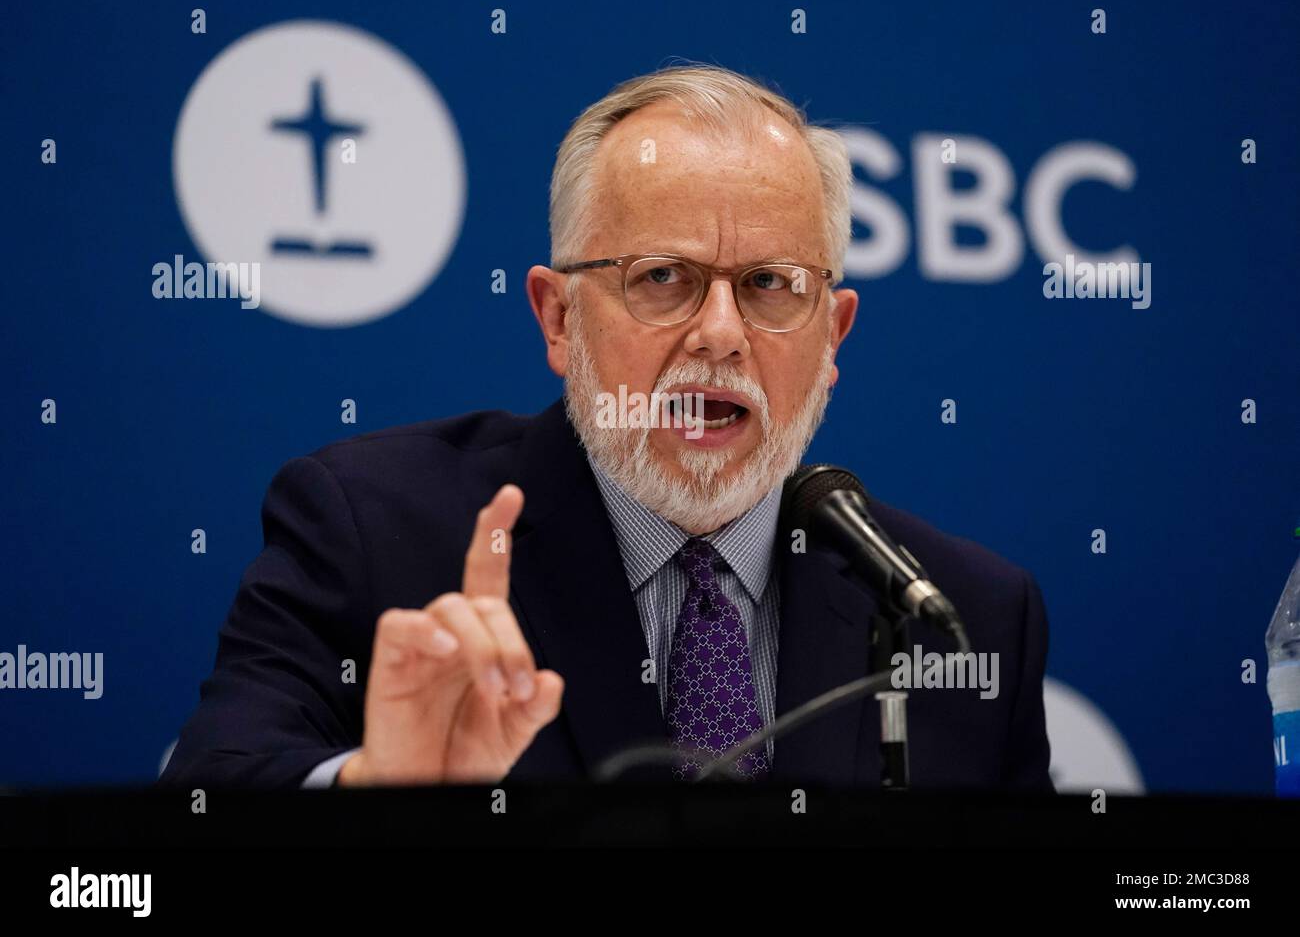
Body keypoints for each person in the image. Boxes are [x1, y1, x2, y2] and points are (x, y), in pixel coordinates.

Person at [159, 64, 1053, 790]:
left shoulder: (961, 614)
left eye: (771, 285)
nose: (720, 334)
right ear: (557, 319)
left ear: (831, 337)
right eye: (662, 277)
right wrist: (378, 791)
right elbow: (208, 789)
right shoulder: (371, 532)